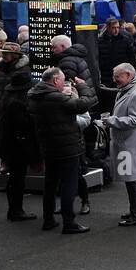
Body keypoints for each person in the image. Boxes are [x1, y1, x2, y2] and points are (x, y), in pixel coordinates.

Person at [27, 66, 96, 233]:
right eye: (62, 79)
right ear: (56, 80)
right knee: (69, 184)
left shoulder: (33, 95)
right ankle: (69, 222)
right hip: (67, 147)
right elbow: (85, 103)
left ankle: (48, 219)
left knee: (50, 184)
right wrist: (82, 86)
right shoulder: (57, 98)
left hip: (48, 145)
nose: (64, 82)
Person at [101, 63, 136, 226]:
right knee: (130, 179)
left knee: (134, 179)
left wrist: (111, 121)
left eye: (118, 77)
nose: (115, 80)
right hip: (126, 144)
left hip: (131, 144)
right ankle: (135, 211)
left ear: (128, 75)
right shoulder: (128, 90)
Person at [0, 70, 38, 220]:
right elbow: (23, 124)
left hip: (8, 143)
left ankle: (14, 209)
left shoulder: (8, 98)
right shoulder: (18, 104)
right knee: (17, 179)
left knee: (15, 178)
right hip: (17, 146)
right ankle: (16, 210)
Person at [0, 42, 31, 129]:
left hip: (17, 108)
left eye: (6, 53)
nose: (3, 55)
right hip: (1, 106)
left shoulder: (24, 70)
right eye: (3, 53)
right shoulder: (0, 69)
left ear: (14, 55)